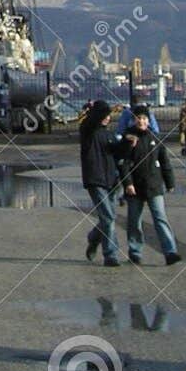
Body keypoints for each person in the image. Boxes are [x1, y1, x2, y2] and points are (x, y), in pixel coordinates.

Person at [119, 105, 180, 266]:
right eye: (138, 118)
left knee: (160, 218)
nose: (141, 121)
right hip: (135, 185)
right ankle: (135, 252)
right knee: (134, 221)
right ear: (134, 120)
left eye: (144, 118)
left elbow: (165, 161)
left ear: (149, 120)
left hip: (154, 184)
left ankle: (170, 252)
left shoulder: (155, 137)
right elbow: (124, 163)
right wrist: (128, 183)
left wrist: (170, 182)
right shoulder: (128, 138)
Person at [79, 99, 123, 267]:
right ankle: (111, 254)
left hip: (111, 179)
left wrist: (127, 143)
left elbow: (117, 153)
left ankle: (94, 237)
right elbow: (91, 121)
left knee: (107, 217)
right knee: (109, 217)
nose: (107, 118)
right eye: (105, 115)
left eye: (109, 116)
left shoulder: (109, 133)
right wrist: (108, 109)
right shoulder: (87, 131)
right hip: (95, 179)